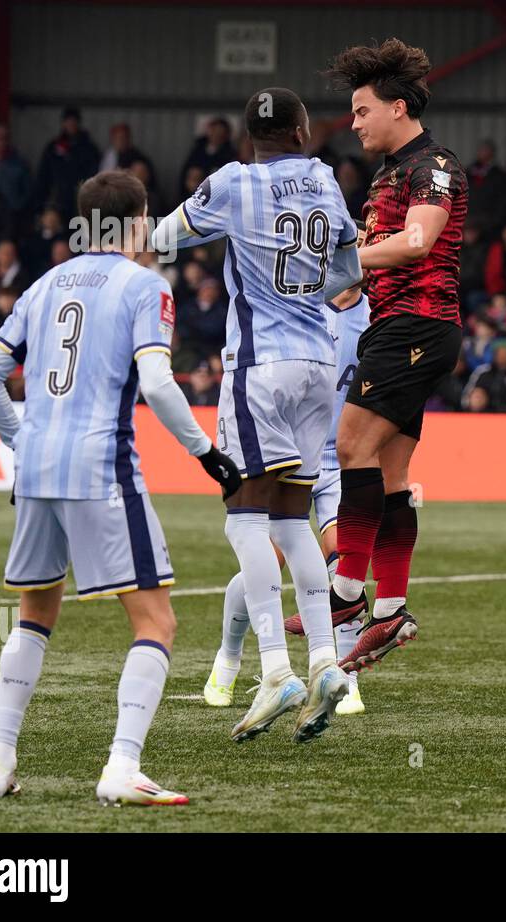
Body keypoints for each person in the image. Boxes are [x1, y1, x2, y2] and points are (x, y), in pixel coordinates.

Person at [0, 169, 241, 805]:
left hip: (36, 470)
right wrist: (207, 454)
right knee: (156, 620)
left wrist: (20, 436)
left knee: (35, 613)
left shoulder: (44, 283)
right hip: (100, 467)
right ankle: (121, 766)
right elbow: (156, 383)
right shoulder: (147, 286)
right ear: (138, 219)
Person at [152, 87, 361, 744]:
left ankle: (276, 669)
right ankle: (326, 660)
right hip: (319, 367)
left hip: (258, 366)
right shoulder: (326, 182)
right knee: (291, 519)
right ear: (302, 130)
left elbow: (164, 236)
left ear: (249, 137)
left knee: (244, 517)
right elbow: (347, 272)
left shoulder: (233, 183)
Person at [313, 38, 468, 673]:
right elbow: (379, 262)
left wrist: (346, 261)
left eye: (360, 110)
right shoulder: (387, 176)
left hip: (417, 329)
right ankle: (390, 609)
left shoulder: (431, 166)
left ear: (397, 108)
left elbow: (417, 241)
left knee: (351, 447)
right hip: (397, 325)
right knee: (392, 473)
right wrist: (345, 283)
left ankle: (346, 591)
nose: (353, 123)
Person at [206, 288, 372, 718]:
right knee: (268, 559)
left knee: (344, 556)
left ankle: (345, 672)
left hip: (340, 458)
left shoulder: (373, 317)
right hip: (290, 446)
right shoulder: (304, 306)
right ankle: (229, 655)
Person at [33, 107, 100, 220]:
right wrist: (40, 204)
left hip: (80, 200)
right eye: (68, 121)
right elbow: (43, 177)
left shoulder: (89, 148)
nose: (71, 124)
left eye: (74, 121)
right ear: (63, 123)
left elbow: (94, 175)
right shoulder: (53, 147)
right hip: (58, 201)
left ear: (78, 123)